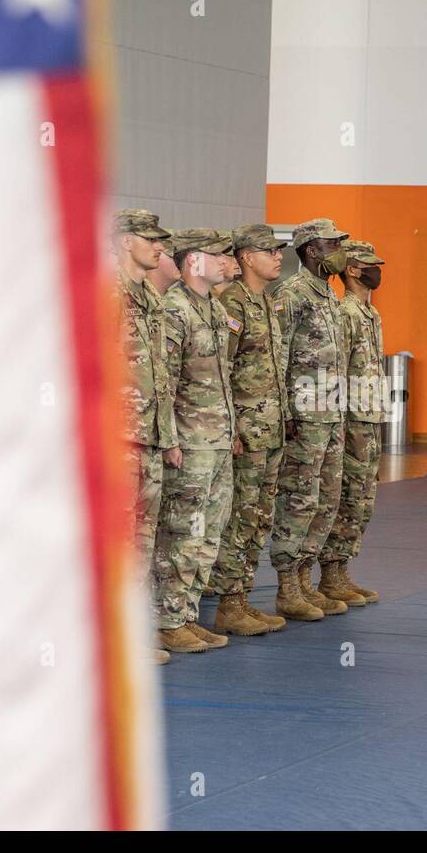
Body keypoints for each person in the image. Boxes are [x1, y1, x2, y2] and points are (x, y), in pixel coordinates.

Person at [154, 228, 245, 654]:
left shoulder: (211, 307)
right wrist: (169, 439)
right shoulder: (175, 309)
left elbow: (222, 379)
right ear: (194, 261)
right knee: (182, 534)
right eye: (219, 255)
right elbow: (165, 383)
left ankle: (187, 615)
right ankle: (166, 619)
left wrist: (232, 433)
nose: (228, 261)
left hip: (216, 440)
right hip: (189, 443)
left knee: (209, 533)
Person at [210, 223, 304, 631]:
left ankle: (242, 597)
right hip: (247, 431)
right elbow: (222, 370)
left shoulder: (266, 302)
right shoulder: (233, 303)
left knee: (260, 516)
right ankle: (229, 603)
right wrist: (230, 428)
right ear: (247, 257)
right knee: (242, 516)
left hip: (269, 429)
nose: (278, 258)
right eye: (270, 251)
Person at [270, 218, 351, 618]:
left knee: (326, 497)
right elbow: (279, 354)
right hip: (304, 415)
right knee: (299, 497)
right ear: (311, 250)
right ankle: (287, 584)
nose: (339, 248)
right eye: (332, 242)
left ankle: (304, 576)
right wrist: (286, 411)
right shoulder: (293, 293)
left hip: (330, 413)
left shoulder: (328, 294)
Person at [113, 208, 173, 665]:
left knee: (143, 538)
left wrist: (167, 435)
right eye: (150, 238)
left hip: (149, 434)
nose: (160, 247)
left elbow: (160, 375)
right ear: (123, 240)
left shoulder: (149, 299)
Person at [319, 239, 388, 605]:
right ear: (352, 270)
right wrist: (341, 422)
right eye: (369, 265)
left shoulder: (370, 313)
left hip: (369, 416)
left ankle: (342, 568)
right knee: (345, 497)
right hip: (350, 419)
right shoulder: (345, 313)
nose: (377, 271)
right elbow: (338, 371)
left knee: (362, 499)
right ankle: (330, 573)